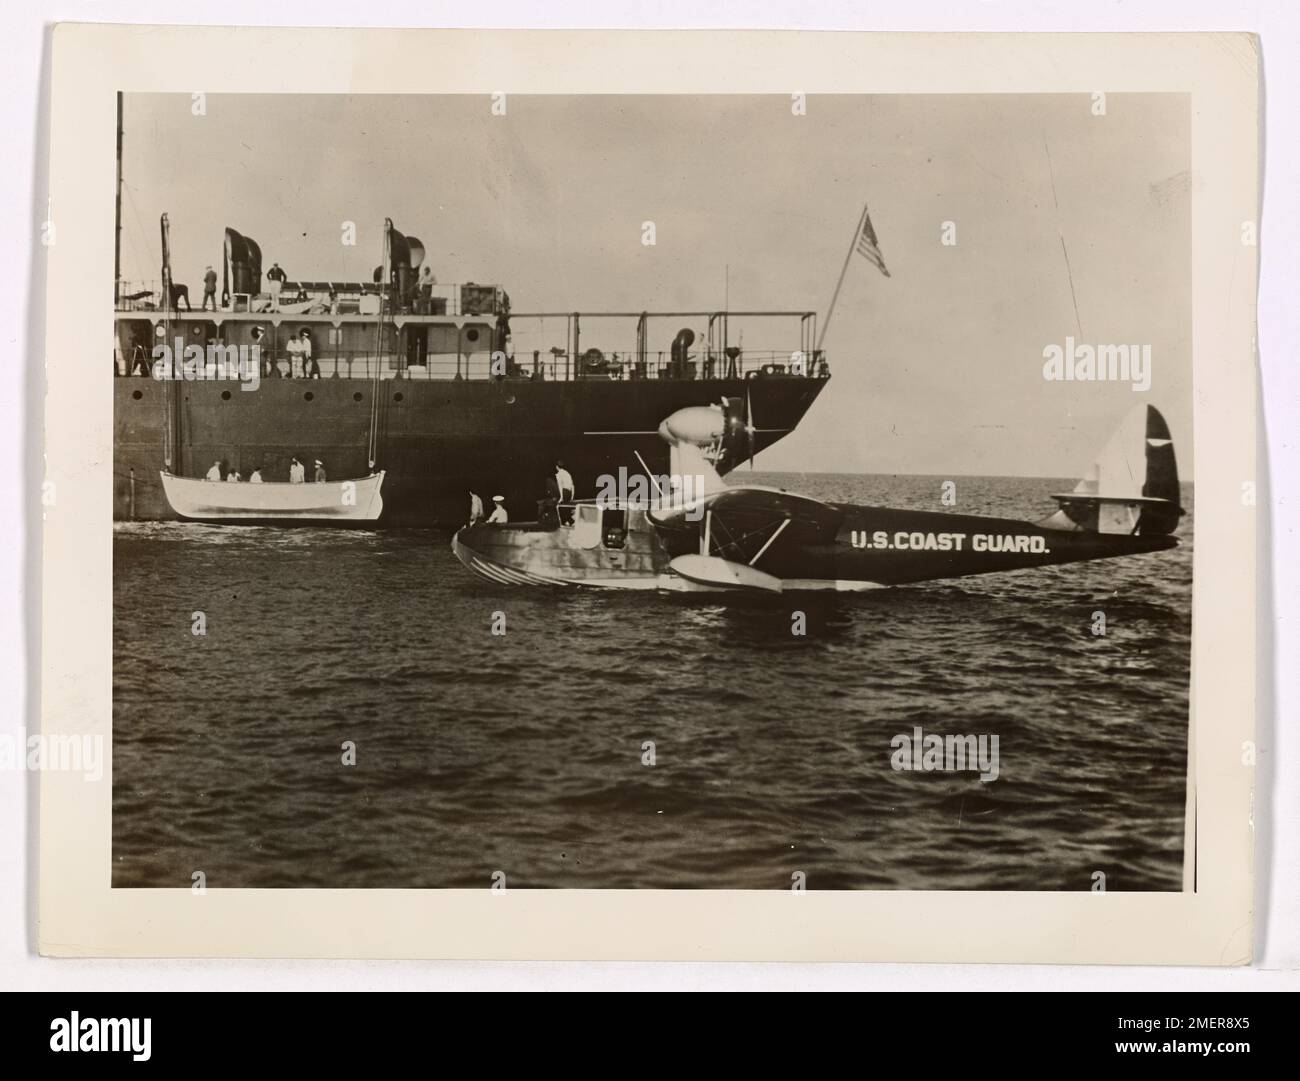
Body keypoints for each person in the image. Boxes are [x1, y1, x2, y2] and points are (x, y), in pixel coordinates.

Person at [555, 459, 575, 524]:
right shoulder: (567, 473)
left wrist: (561, 497)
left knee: (561, 507)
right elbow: (572, 485)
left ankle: (567, 522)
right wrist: (572, 495)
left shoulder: (559, 474)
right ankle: (569, 521)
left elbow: (560, 486)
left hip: (564, 491)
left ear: (557, 467)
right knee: (566, 508)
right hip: (569, 492)